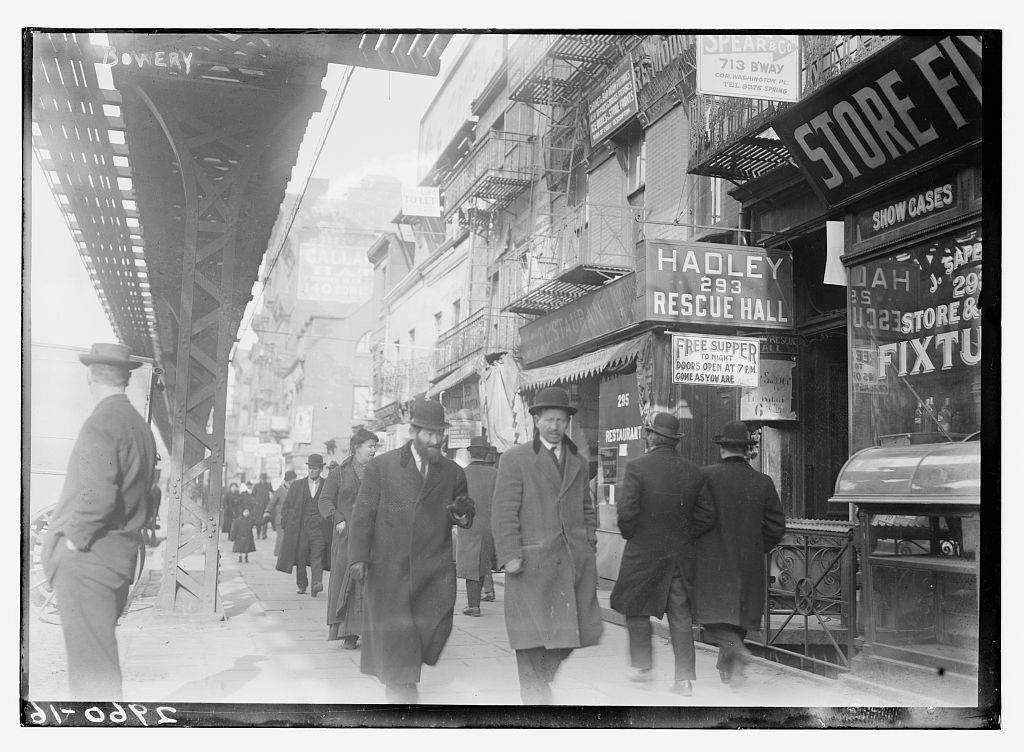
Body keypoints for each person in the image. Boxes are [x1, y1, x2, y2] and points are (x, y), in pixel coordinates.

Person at [40, 342, 157, 700]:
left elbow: (98, 496)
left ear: (90, 376)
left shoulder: (101, 422)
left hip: (88, 561)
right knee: (100, 659)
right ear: (125, 379)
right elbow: (147, 494)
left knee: (90, 669)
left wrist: (73, 540)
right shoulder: (138, 426)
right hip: (117, 560)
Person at [348, 399, 475, 703]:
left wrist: (461, 513)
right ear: (414, 431)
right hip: (389, 570)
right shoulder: (383, 466)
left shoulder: (453, 473)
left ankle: (403, 688)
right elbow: (363, 514)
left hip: (433, 572)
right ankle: (402, 702)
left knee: (427, 636)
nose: (434, 440)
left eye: (439, 435)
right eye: (428, 434)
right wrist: (358, 557)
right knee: (398, 653)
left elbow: (466, 516)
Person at [492, 386, 603, 704]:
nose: (555, 427)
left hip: (571, 561)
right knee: (529, 640)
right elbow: (503, 510)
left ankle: (541, 682)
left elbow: (586, 508)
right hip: (530, 564)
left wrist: (589, 543)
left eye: (561, 420)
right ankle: (535, 702)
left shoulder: (578, 462)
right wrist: (510, 554)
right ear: (536, 421)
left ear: (567, 423)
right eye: (549, 419)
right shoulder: (515, 459)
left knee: (575, 633)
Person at [609, 412, 714, 697]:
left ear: (653, 437)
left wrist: (634, 535)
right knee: (680, 617)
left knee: (636, 609)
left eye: (648, 433)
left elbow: (626, 513)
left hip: (643, 553)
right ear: (675, 440)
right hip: (679, 555)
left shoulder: (637, 467)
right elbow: (707, 516)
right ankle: (684, 681)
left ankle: (642, 667)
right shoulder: (693, 471)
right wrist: (683, 535)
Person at [693, 420, 786, 687]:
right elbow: (777, 527)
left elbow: (697, 518)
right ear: (746, 451)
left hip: (712, 562)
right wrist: (758, 547)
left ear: (722, 449)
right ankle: (730, 669)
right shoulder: (763, 482)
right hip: (749, 563)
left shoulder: (705, 476)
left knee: (708, 616)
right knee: (739, 616)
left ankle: (736, 652)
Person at [319, 428, 378, 648]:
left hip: (372, 537)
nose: (373, 451)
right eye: (370, 446)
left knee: (371, 582)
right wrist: (338, 519)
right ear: (357, 447)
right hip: (346, 538)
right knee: (347, 580)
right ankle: (348, 633)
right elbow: (324, 500)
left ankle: (369, 632)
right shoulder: (339, 473)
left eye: (375, 446)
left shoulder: (378, 471)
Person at [275, 455, 328, 597]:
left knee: (318, 556)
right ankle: (302, 585)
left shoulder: (327, 485)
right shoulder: (297, 486)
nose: (311, 471)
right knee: (301, 558)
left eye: (315, 468)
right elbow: (287, 506)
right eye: (310, 468)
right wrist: (286, 524)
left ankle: (316, 584)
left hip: (319, 529)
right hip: (301, 529)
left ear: (321, 469)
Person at [456, 436, 497, 617]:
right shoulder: (496, 474)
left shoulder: (461, 474)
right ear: (486, 454)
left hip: (468, 525)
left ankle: (473, 605)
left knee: (471, 564)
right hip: (489, 525)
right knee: (482, 563)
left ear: (470, 453)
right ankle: (476, 602)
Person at [268, 470, 294, 557]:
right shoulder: (280, 490)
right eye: (293, 479)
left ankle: (285, 555)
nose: (294, 481)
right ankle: (280, 555)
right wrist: (267, 511)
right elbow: (272, 502)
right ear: (289, 480)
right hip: (281, 518)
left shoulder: (294, 489)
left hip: (291, 518)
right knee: (281, 537)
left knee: (289, 538)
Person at [251, 473, 273, 540]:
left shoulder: (268, 485)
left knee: (265, 519)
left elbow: (272, 492)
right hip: (258, 506)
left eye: (264, 479)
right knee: (258, 520)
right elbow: (252, 496)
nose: (263, 480)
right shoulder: (256, 486)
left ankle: (264, 534)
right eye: (262, 479)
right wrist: (256, 502)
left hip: (266, 505)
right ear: (260, 479)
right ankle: (258, 534)